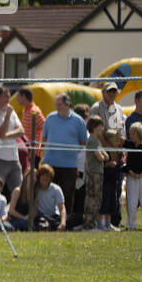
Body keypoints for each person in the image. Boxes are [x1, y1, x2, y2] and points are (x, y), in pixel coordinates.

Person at [39, 93, 87, 229]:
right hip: (50, 164)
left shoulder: (78, 121)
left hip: (69, 165)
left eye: (59, 104)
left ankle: (66, 223)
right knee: (47, 192)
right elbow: (44, 139)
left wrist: (71, 153)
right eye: (56, 104)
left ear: (67, 104)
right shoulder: (50, 118)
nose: (57, 106)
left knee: (67, 195)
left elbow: (83, 142)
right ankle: (47, 221)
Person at [91, 82, 126, 227]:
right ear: (103, 93)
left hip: (116, 154)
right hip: (102, 154)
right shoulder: (96, 108)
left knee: (115, 189)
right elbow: (95, 131)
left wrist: (119, 148)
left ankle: (112, 221)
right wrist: (108, 148)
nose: (112, 94)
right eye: (109, 91)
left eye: (114, 92)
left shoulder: (118, 109)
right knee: (103, 190)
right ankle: (99, 222)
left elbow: (121, 131)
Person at [123, 121, 142, 230]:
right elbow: (119, 140)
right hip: (131, 176)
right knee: (131, 201)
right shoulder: (129, 145)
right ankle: (130, 225)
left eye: (133, 133)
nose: (130, 136)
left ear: (139, 134)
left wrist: (141, 174)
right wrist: (132, 173)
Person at [82, 117, 108, 231]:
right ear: (94, 127)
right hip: (93, 173)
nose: (102, 129)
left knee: (97, 198)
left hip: (98, 172)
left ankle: (91, 224)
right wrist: (103, 156)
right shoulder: (92, 140)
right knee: (92, 199)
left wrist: (104, 156)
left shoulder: (97, 140)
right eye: (100, 126)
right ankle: (89, 224)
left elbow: (106, 156)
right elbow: (100, 157)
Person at [30, 163, 67, 231]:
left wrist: (63, 223)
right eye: (43, 175)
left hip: (53, 217)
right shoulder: (35, 189)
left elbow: (62, 208)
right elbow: (34, 209)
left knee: (76, 218)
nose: (45, 178)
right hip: (40, 217)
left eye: (47, 176)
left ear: (51, 178)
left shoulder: (56, 189)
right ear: (39, 177)